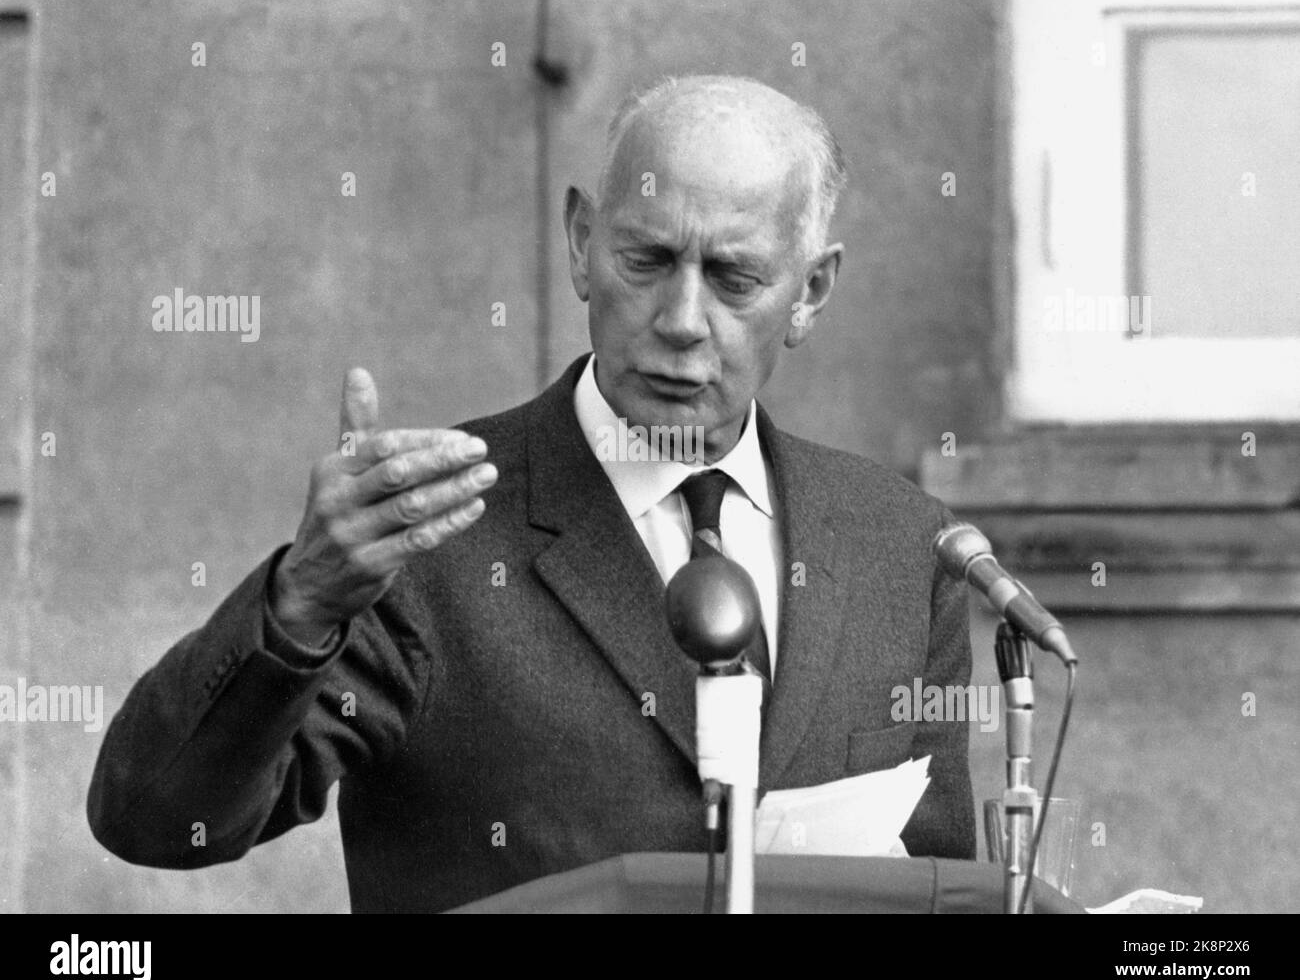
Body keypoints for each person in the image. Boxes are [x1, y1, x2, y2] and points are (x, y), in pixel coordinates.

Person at [88, 74, 976, 912]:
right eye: (647, 259)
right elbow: (156, 818)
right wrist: (301, 602)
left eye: (735, 279)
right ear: (583, 242)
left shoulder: (900, 546)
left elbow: (941, 888)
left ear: (813, 290)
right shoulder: (430, 529)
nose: (680, 320)